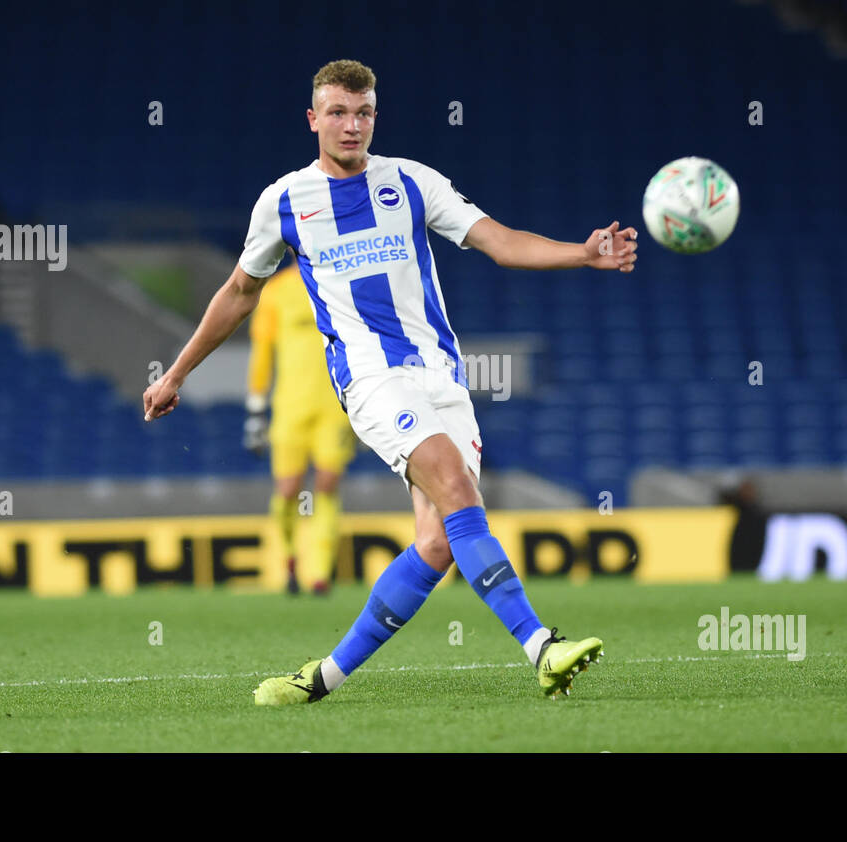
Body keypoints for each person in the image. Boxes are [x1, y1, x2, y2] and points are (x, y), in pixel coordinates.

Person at [143, 59, 637, 702]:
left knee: (436, 543)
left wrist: (581, 251)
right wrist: (175, 373)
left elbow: (499, 241)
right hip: (370, 379)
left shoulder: (410, 181)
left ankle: (320, 679)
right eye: (339, 113)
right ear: (313, 119)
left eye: (364, 112)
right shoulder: (284, 201)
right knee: (457, 488)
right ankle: (541, 646)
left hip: (441, 378)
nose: (352, 126)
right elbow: (239, 293)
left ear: (375, 115)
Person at [244, 255, 355, 595]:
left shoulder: (342, 286)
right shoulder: (275, 291)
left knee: (326, 484)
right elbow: (262, 352)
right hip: (290, 407)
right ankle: (289, 559)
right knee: (289, 490)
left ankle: (320, 573)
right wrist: (255, 410)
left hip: (334, 406)